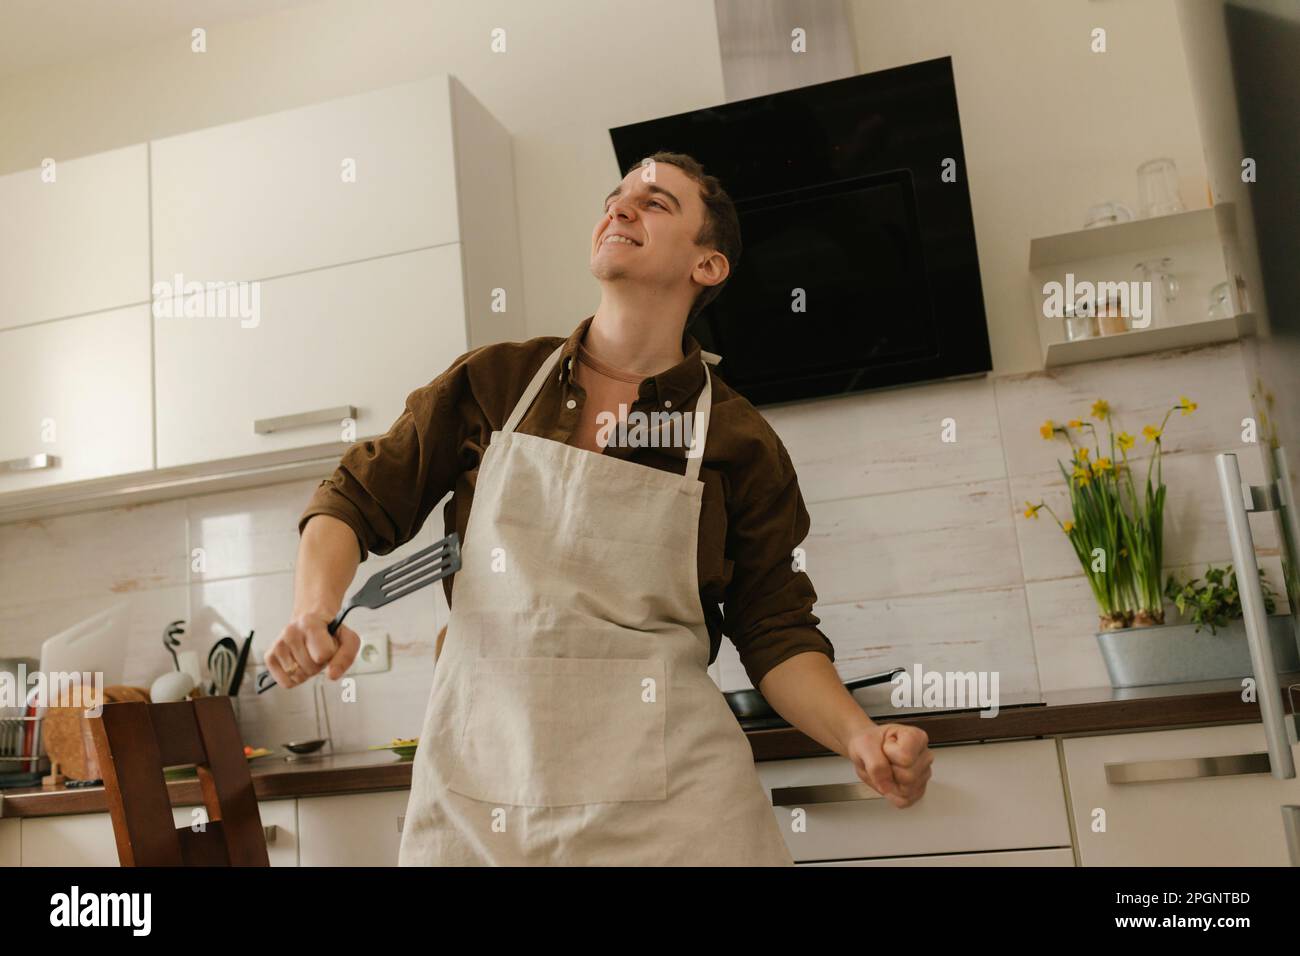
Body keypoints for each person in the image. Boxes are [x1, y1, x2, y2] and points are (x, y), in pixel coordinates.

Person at [265, 151, 932, 865]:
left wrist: (860, 735)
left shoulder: (739, 442)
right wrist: (315, 608)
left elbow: (775, 628)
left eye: (655, 203)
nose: (619, 209)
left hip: (674, 811)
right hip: (479, 802)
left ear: (707, 266)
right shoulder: (495, 383)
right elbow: (354, 498)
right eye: (616, 199)